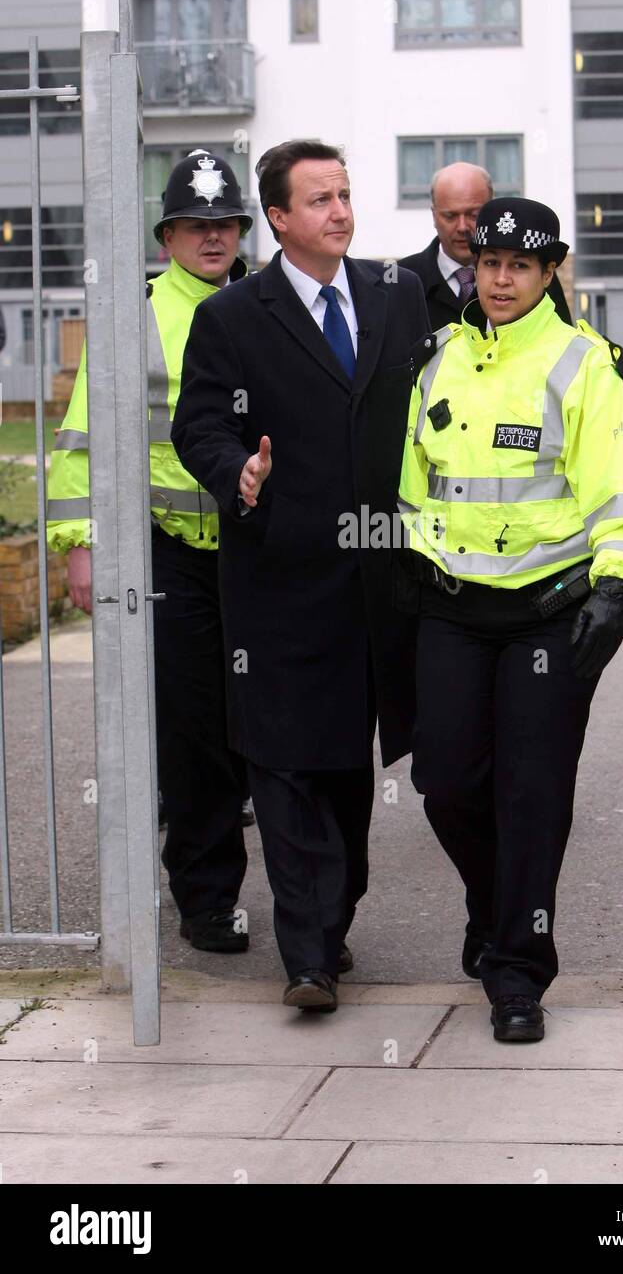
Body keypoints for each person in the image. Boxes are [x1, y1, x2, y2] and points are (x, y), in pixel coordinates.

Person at [171, 139, 432, 1014]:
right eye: (319, 199)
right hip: (279, 579)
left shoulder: (396, 295)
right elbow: (199, 427)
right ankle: (308, 955)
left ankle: (332, 915)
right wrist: (238, 474)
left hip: (377, 582)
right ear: (278, 217)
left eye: (344, 195)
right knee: (283, 764)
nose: (340, 211)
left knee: (346, 770)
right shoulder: (232, 317)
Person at [397, 197, 623, 1043]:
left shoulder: (585, 364)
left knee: (532, 794)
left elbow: (620, 482)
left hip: (549, 614)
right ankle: (492, 906)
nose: (501, 279)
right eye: (489, 263)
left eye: (519, 265)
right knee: (444, 783)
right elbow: (411, 486)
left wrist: (615, 585)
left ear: (549, 273)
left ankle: (516, 972)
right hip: (452, 608)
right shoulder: (437, 359)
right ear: (472, 268)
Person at [47, 150, 254, 954]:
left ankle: (312, 911)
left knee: (271, 724)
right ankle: (207, 899)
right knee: (193, 733)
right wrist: (80, 544)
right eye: (195, 225)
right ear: (166, 237)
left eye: (224, 223)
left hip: (259, 551)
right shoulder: (131, 318)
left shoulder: (269, 308)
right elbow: (84, 436)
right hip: (172, 556)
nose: (212, 237)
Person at [399, 163, 493, 332]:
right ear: (434, 216)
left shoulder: (523, 276)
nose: (462, 227)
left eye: (474, 215)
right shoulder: (400, 281)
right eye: (450, 216)